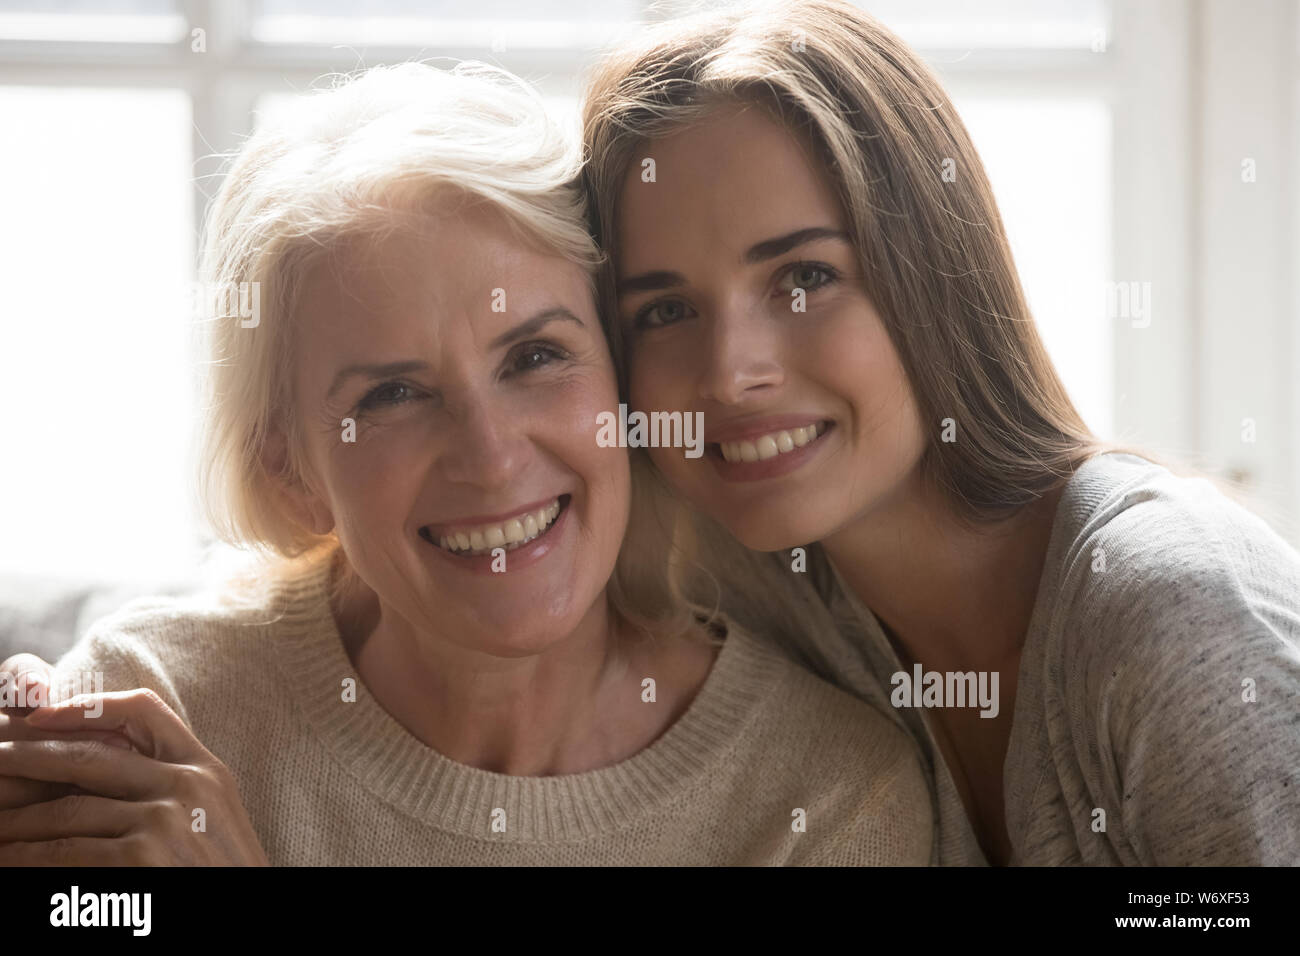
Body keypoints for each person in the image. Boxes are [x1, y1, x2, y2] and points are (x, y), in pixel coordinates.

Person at [0, 61, 933, 866]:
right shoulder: (147, 722)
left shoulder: (826, 799)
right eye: (393, 396)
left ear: (622, 381)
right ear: (292, 467)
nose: (490, 460)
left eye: (534, 358)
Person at [579, 0, 1300, 865]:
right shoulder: (751, 612)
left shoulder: (1171, 610)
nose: (731, 373)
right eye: (664, 309)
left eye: (805, 277)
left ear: (933, 275)